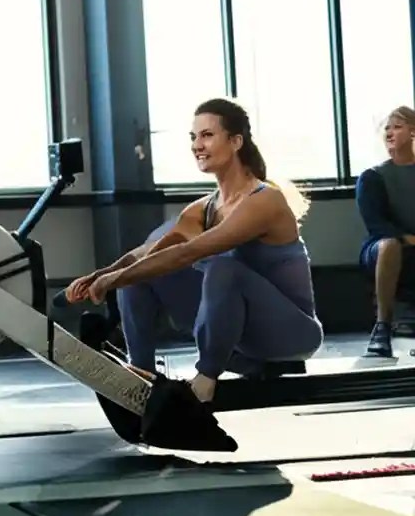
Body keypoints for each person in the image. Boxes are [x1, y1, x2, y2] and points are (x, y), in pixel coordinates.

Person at [65, 98, 323, 404]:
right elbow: (147, 253)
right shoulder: (206, 207)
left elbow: (189, 252)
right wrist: (102, 274)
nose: (197, 145)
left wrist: (112, 281)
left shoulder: (264, 201)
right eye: (193, 137)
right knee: (142, 272)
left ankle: (204, 381)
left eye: (207, 135)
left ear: (236, 141)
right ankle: (140, 374)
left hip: (291, 333)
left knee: (221, 269)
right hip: (242, 335)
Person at [355, 106, 415, 357]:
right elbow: (376, 224)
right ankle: (382, 328)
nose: (389, 133)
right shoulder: (372, 177)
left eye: (397, 127)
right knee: (389, 244)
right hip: (381, 248)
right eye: (387, 128)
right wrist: (407, 238)